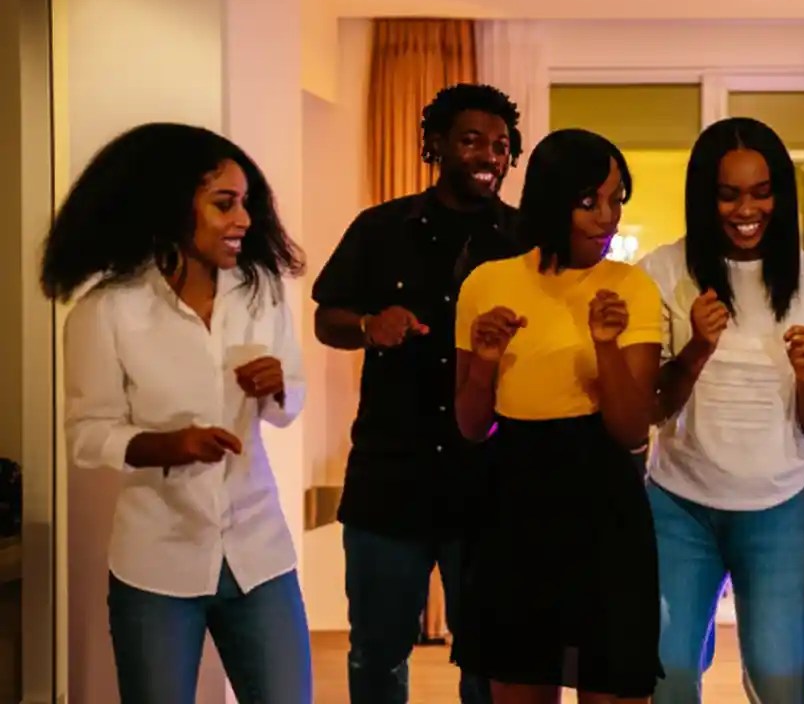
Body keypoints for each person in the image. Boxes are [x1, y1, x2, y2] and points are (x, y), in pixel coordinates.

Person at [45, 122, 310, 703]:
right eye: (224, 203)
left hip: (259, 553)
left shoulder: (261, 291)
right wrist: (169, 445)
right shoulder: (107, 311)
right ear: (170, 206)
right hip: (156, 561)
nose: (245, 219)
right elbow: (87, 434)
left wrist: (278, 388)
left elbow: (290, 401)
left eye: (246, 203)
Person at [311, 83, 522, 704]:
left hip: (490, 483)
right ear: (435, 145)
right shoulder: (380, 229)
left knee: (489, 659)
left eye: (502, 146)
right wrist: (368, 326)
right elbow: (327, 317)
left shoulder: (524, 240)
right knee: (377, 654)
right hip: (390, 478)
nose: (489, 156)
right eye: (473, 141)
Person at [636, 117, 804, 704]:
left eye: (761, 192)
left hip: (781, 506)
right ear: (704, 198)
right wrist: (697, 349)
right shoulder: (662, 272)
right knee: (666, 673)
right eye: (728, 194)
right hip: (679, 504)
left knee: (782, 680)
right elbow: (652, 407)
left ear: (782, 195)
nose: (746, 210)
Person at [452, 128, 664, 704]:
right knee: (519, 680)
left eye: (617, 199)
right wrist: (484, 362)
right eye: (590, 201)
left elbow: (630, 430)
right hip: (514, 503)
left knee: (614, 681)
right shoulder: (488, 283)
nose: (608, 217)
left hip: (604, 503)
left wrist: (606, 346)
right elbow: (470, 425)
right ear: (552, 199)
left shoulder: (630, 287)